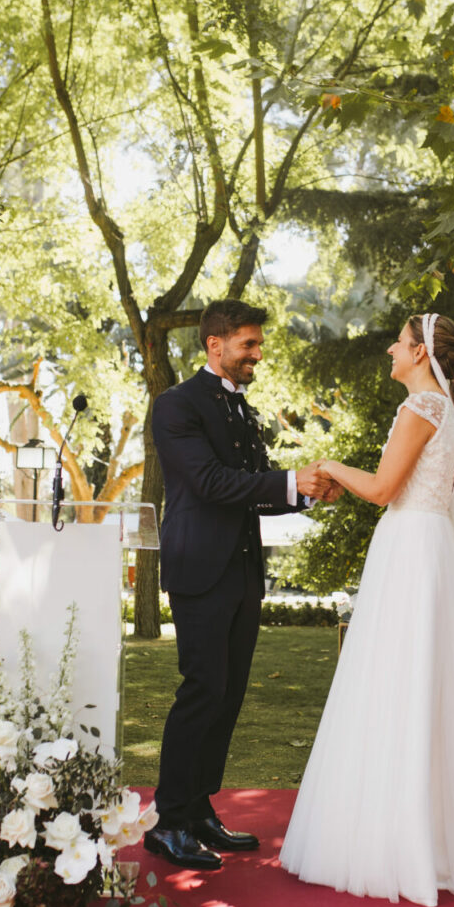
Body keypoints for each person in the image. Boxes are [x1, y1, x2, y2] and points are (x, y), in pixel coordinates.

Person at [280, 312, 454, 906]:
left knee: (394, 684)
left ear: (420, 353)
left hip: (411, 551)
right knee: (423, 688)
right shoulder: (443, 412)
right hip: (428, 552)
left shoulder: (419, 410)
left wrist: (326, 468)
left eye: (397, 344)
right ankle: (433, 833)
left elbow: (379, 489)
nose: (389, 353)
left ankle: (394, 838)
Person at [142, 300, 338, 871]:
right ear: (215, 345)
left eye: (257, 344)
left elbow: (251, 489)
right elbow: (208, 483)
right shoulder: (174, 405)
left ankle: (200, 810)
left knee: (228, 696)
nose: (257, 354)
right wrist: (285, 481)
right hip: (199, 569)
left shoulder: (242, 410)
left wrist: (303, 494)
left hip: (243, 570)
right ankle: (168, 822)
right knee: (202, 688)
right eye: (248, 345)